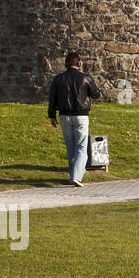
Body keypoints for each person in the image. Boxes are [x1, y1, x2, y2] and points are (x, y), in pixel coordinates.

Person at [48, 51, 102, 187]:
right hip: (81, 115)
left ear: (66, 63)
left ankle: (72, 174)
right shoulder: (85, 78)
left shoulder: (58, 79)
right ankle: (76, 176)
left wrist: (52, 115)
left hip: (64, 115)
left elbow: (52, 98)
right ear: (79, 63)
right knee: (81, 147)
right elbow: (96, 94)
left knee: (71, 146)